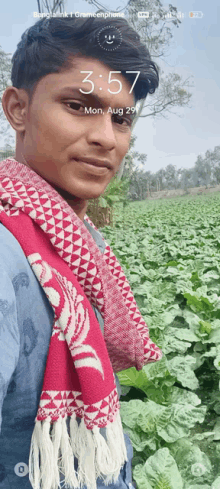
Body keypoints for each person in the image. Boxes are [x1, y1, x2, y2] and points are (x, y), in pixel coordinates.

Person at [0, 15, 162, 489]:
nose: (106, 138)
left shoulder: (77, 239)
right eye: (78, 105)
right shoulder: (7, 254)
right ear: (18, 108)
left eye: (122, 118)